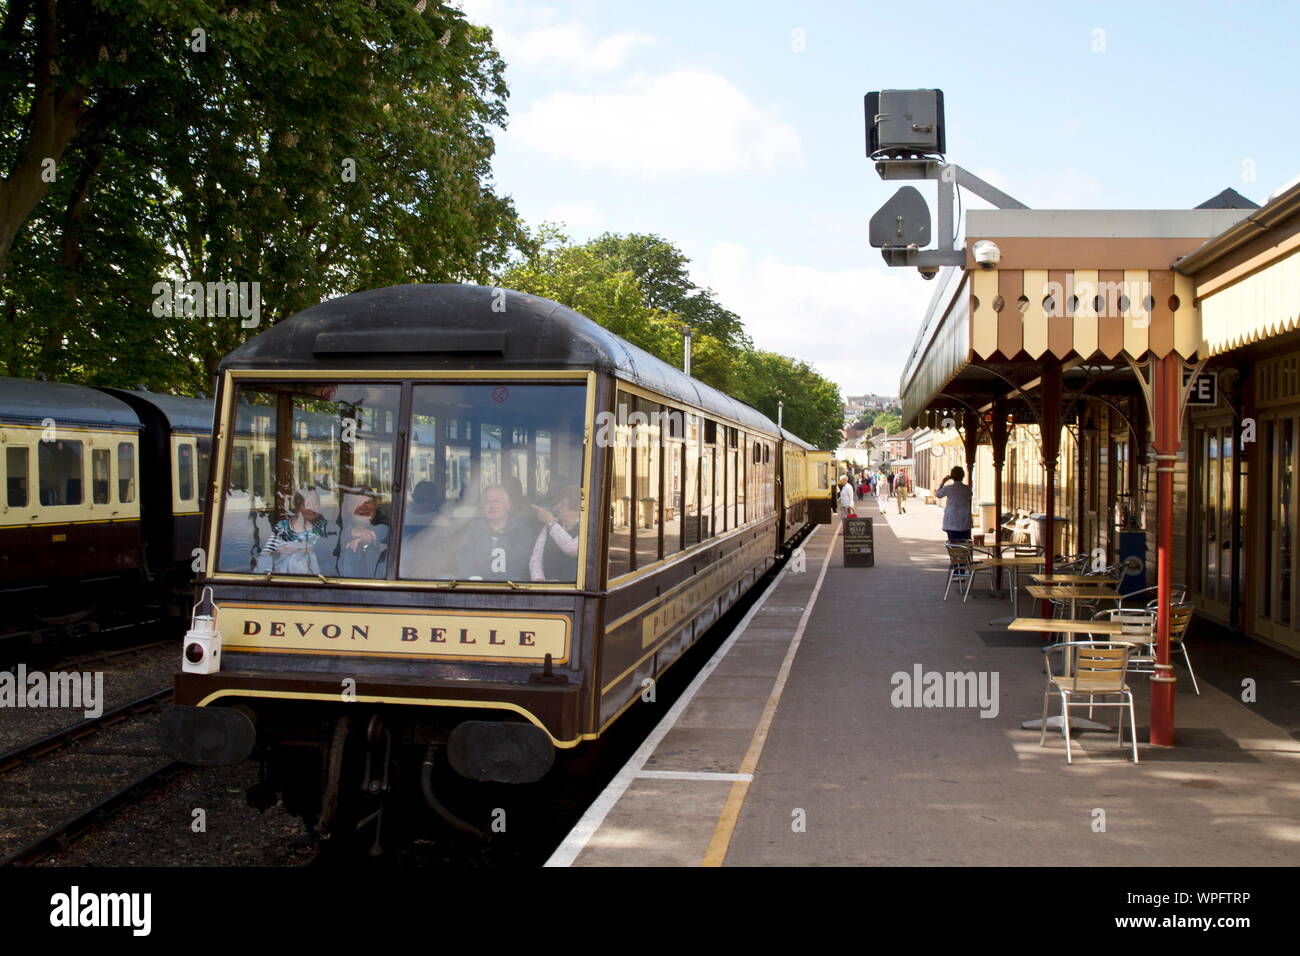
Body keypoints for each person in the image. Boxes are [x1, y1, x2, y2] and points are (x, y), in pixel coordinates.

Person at [455, 484, 533, 581]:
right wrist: (474, 579)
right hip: (477, 587)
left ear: (507, 505)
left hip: (512, 588)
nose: (492, 506)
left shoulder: (521, 531)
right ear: (483, 507)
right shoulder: (473, 529)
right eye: (488, 502)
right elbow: (463, 558)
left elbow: (521, 565)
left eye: (497, 501)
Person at [255, 489, 325, 574]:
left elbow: (323, 553)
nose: (312, 509)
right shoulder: (282, 527)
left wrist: (299, 549)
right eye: (307, 504)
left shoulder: (322, 527)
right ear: (298, 506)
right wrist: (280, 552)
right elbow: (266, 554)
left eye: (316, 504)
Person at [529, 486, 581, 582]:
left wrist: (550, 522)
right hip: (547, 586)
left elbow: (573, 549)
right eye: (557, 502)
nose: (557, 506)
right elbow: (536, 558)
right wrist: (539, 580)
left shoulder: (586, 527)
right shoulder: (550, 527)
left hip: (572, 589)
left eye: (563, 504)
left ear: (577, 509)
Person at [337, 488, 388, 578]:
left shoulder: (387, 528)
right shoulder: (337, 528)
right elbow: (327, 539)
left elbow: (387, 530)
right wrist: (350, 533)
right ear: (348, 507)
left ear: (375, 505)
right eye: (355, 502)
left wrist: (369, 537)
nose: (362, 507)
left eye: (368, 502)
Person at [936, 466, 973, 542]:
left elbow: (938, 494)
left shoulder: (948, 488)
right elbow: (970, 494)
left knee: (954, 547)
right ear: (963, 476)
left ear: (952, 477)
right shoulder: (967, 488)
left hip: (951, 522)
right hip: (964, 522)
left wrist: (943, 482)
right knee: (964, 546)